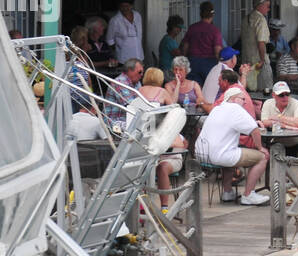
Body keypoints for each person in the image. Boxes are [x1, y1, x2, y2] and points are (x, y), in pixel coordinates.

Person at [194, 96, 269, 205]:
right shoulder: (235, 108)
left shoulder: (217, 109)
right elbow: (254, 129)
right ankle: (248, 195)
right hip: (220, 156)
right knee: (263, 157)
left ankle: (227, 192)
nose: (244, 101)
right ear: (232, 99)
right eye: (242, 98)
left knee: (229, 153)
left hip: (202, 154)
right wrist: (260, 148)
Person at [137, 68, 185, 201]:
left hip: (144, 136)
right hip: (159, 139)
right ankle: (164, 207)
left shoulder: (139, 91)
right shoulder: (162, 92)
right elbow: (174, 108)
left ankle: (142, 206)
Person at [182, 1, 224, 80]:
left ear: (200, 13)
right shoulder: (215, 30)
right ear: (212, 15)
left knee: (194, 89)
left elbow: (185, 48)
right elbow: (217, 51)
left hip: (193, 63)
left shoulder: (192, 28)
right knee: (209, 89)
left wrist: (184, 60)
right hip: (209, 64)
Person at [243, 0, 273, 92]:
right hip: (258, 62)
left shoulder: (246, 19)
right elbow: (261, 42)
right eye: (267, 6)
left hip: (246, 62)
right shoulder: (261, 20)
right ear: (260, 6)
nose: (268, 9)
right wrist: (262, 60)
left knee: (250, 91)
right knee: (265, 90)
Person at [102, 58, 144, 127]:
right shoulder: (119, 82)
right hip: (114, 120)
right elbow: (131, 104)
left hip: (126, 118)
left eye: (142, 72)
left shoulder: (137, 83)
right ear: (130, 71)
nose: (142, 75)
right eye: (139, 72)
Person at [107, 0, 144, 64]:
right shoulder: (115, 20)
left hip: (139, 56)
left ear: (132, 5)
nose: (125, 9)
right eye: (122, 6)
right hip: (124, 59)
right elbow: (109, 40)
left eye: (127, 6)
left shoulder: (137, 16)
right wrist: (121, 49)